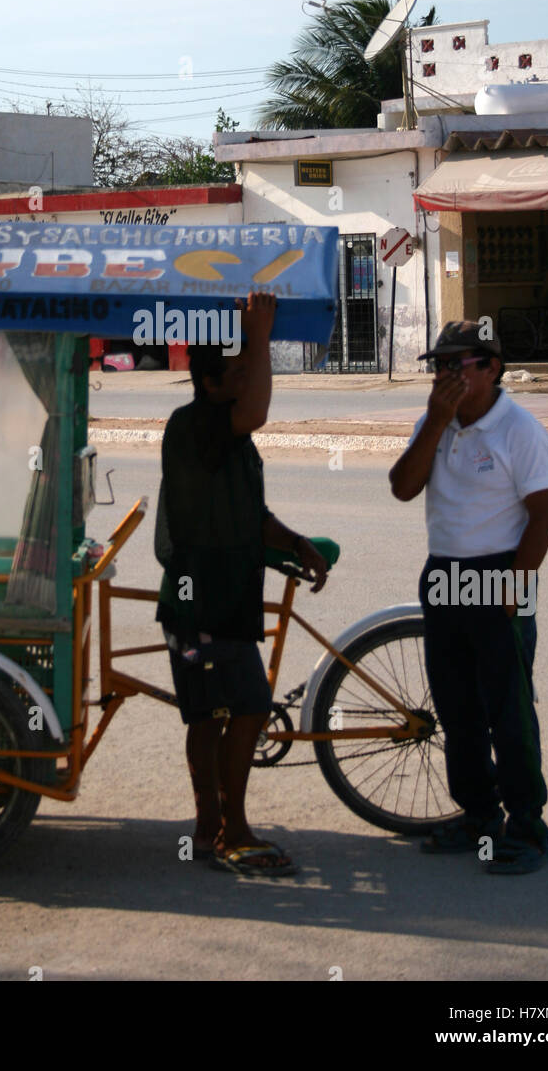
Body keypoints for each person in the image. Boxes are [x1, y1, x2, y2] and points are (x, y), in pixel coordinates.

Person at [154, 291, 328, 877]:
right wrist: (260, 334)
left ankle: (210, 826)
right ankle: (231, 827)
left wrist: (295, 542)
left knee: (211, 717)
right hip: (198, 602)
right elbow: (255, 411)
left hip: (222, 598)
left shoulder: (228, 436)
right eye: (237, 371)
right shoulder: (195, 424)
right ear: (208, 381)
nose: (248, 378)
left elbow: (251, 513)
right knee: (245, 708)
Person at [389, 320, 548, 875]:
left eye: (457, 363)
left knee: (509, 710)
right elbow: (403, 486)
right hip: (442, 575)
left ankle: (527, 825)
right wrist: (435, 421)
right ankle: (479, 814)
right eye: (438, 364)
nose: (444, 373)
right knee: (456, 707)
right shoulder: (433, 420)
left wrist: (515, 586)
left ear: (491, 367)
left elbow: (543, 517)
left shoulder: (520, 430)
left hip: (499, 577)